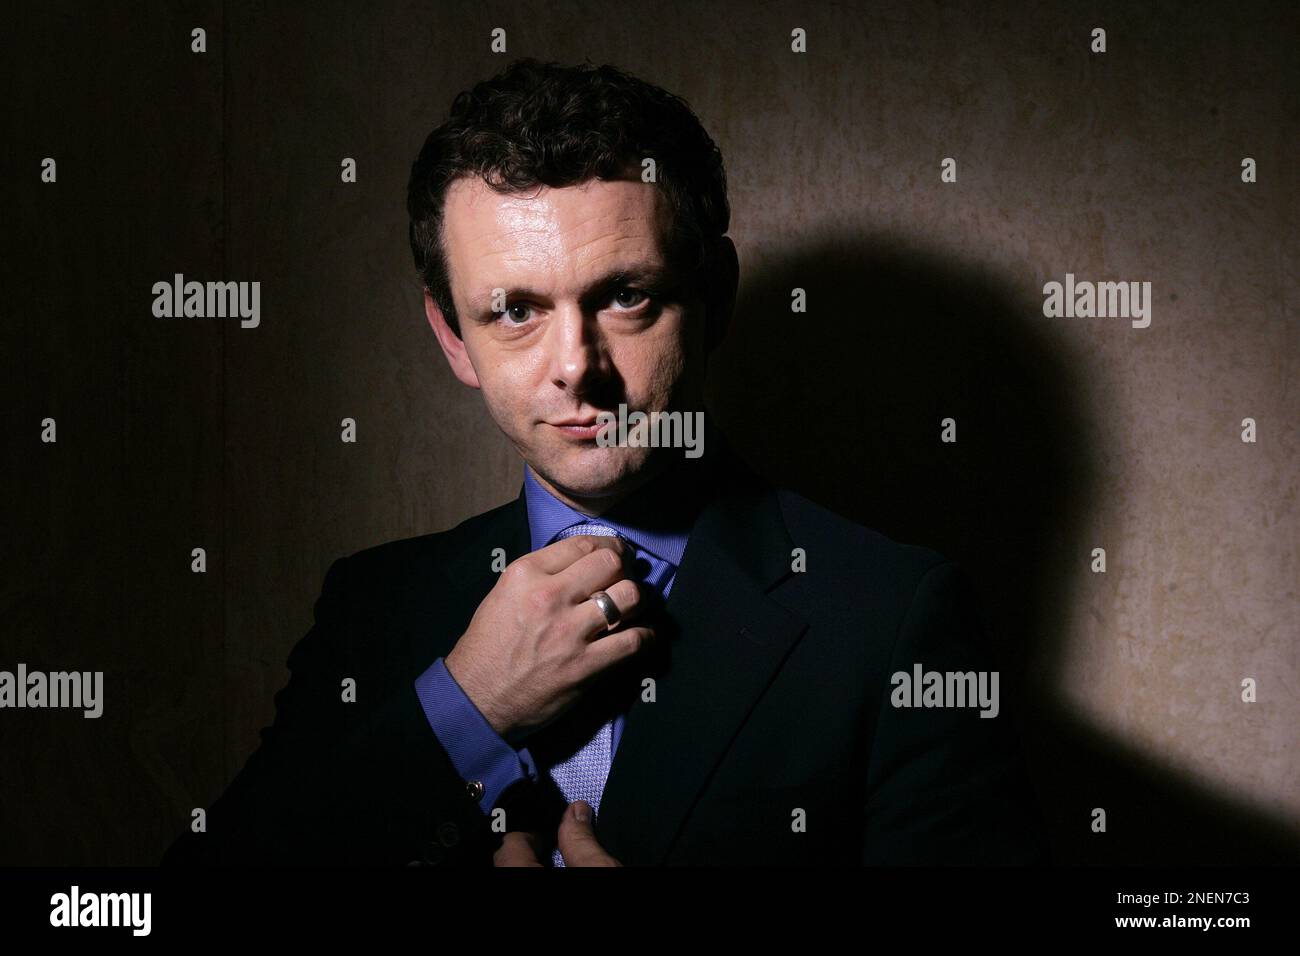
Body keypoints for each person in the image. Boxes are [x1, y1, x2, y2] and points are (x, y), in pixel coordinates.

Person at [162, 58, 1046, 867]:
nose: (575, 365)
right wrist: (465, 706)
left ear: (715, 298)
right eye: (514, 310)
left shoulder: (892, 620)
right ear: (451, 337)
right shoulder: (369, 610)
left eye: (627, 296)